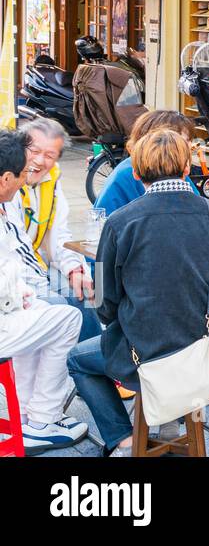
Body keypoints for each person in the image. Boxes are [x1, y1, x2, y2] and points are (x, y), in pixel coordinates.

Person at [67, 129, 209, 457]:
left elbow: (103, 301)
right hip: (206, 346)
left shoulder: (120, 222)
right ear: (187, 169)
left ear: (137, 172)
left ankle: (123, 439)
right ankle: (169, 421)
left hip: (142, 353)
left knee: (77, 359)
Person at [0, 129, 88, 453]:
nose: (35, 166)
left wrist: (75, 268)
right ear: (6, 177)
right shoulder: (9, 196)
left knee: (70, 301)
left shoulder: (39, 189)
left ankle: (30, 415)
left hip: (27, 285)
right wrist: (20, 294)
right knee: (67, 316)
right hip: (14, 298)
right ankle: (43, 418)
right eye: (32, 155)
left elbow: (55, 240)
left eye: (49, 155)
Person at [3, 119, 98, 341]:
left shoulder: (51, 181)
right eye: (34, 151)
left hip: (36, 268)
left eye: (49, 155)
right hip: (15, 277)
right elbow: (14, 252)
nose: (39, 161)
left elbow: (59, 236)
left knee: (86, 288)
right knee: (59, 303)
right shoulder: (9, 186)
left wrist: (74, 268)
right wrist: (45, 290)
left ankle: (92, 360)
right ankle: (77, 362)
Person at [94, 110, 198, 216]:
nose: (190, 146)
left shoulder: (172, 169)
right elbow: (103, 221)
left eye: (189, 140)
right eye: (183, 141)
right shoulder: (126, 175)